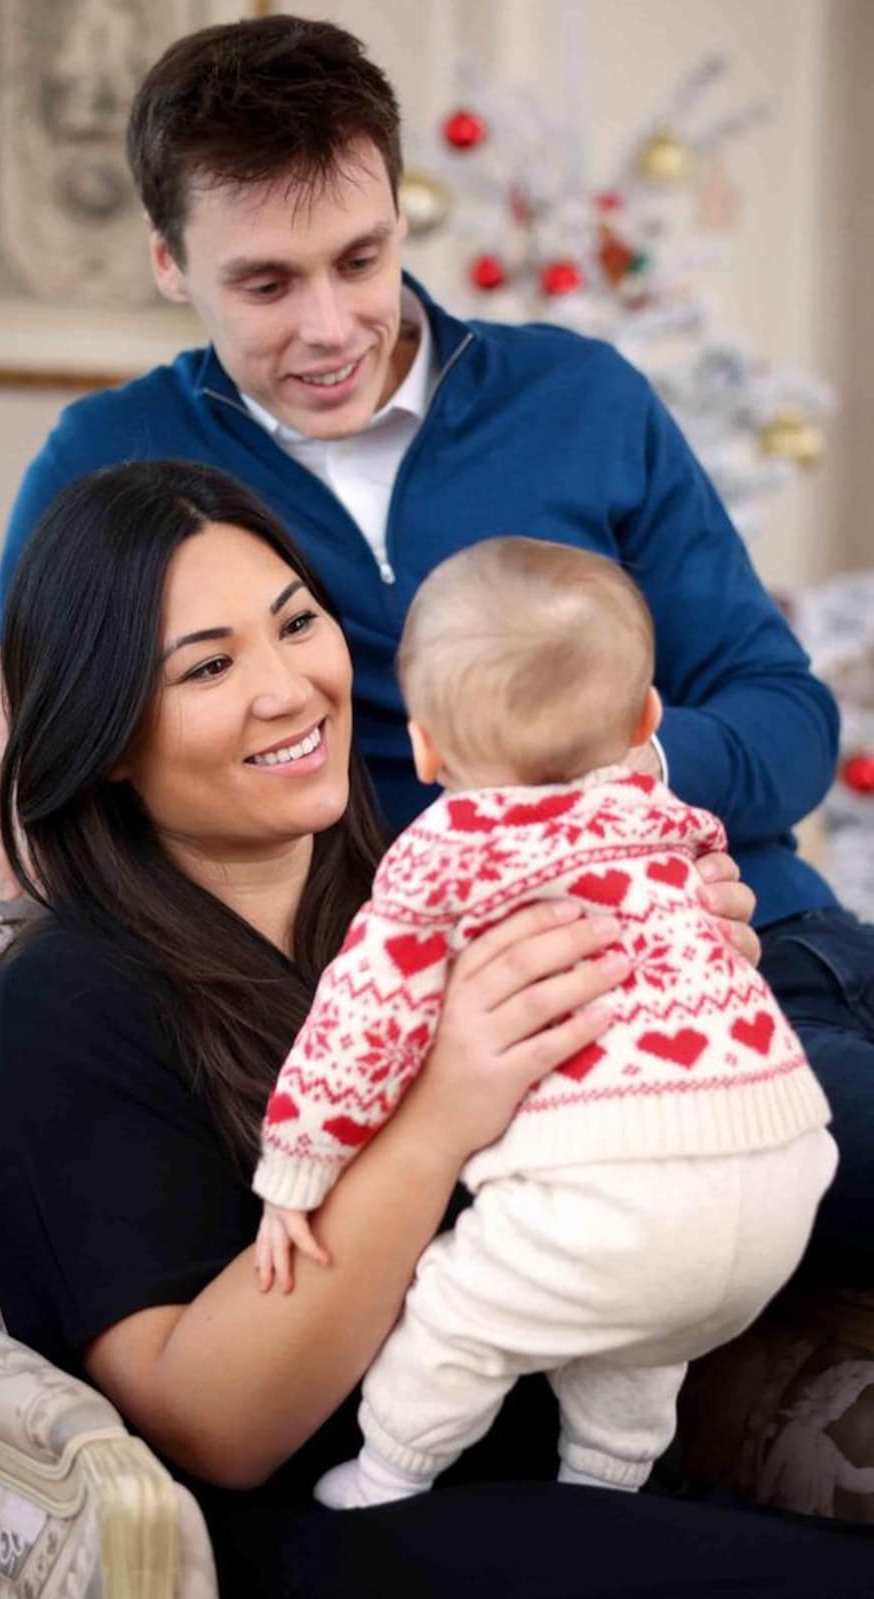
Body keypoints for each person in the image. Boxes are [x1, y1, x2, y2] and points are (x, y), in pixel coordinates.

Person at [0, 14, 871, 1269]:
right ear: (168, 261)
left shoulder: (583, 398)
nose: (329, 328)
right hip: (541, 1034)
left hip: (763, 940)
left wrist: (594, 812)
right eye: (267, 285)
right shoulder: (114, 456)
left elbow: (787, 719)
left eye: (360, 259)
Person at [0, 460, 874, 1597]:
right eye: (208, 665)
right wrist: (439, 1114)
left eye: (298, 623)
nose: (289, 688)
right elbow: (217, 1428)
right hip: (332, 1534)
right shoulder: (67, 1004)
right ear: (104, 736)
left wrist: (673, 986)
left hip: (580, 1472)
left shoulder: (432, 894)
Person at [251, 538, 836, 1511]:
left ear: (425, 748)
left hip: (613, 1188)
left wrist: (296, 1170)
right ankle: (603, 1487)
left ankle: (387, 1477)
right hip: (783, 1171)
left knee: (459, 1312)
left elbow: (363, 1020)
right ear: (647, 723)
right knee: (637, 1335)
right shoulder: (663, 816)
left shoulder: (445, 854)